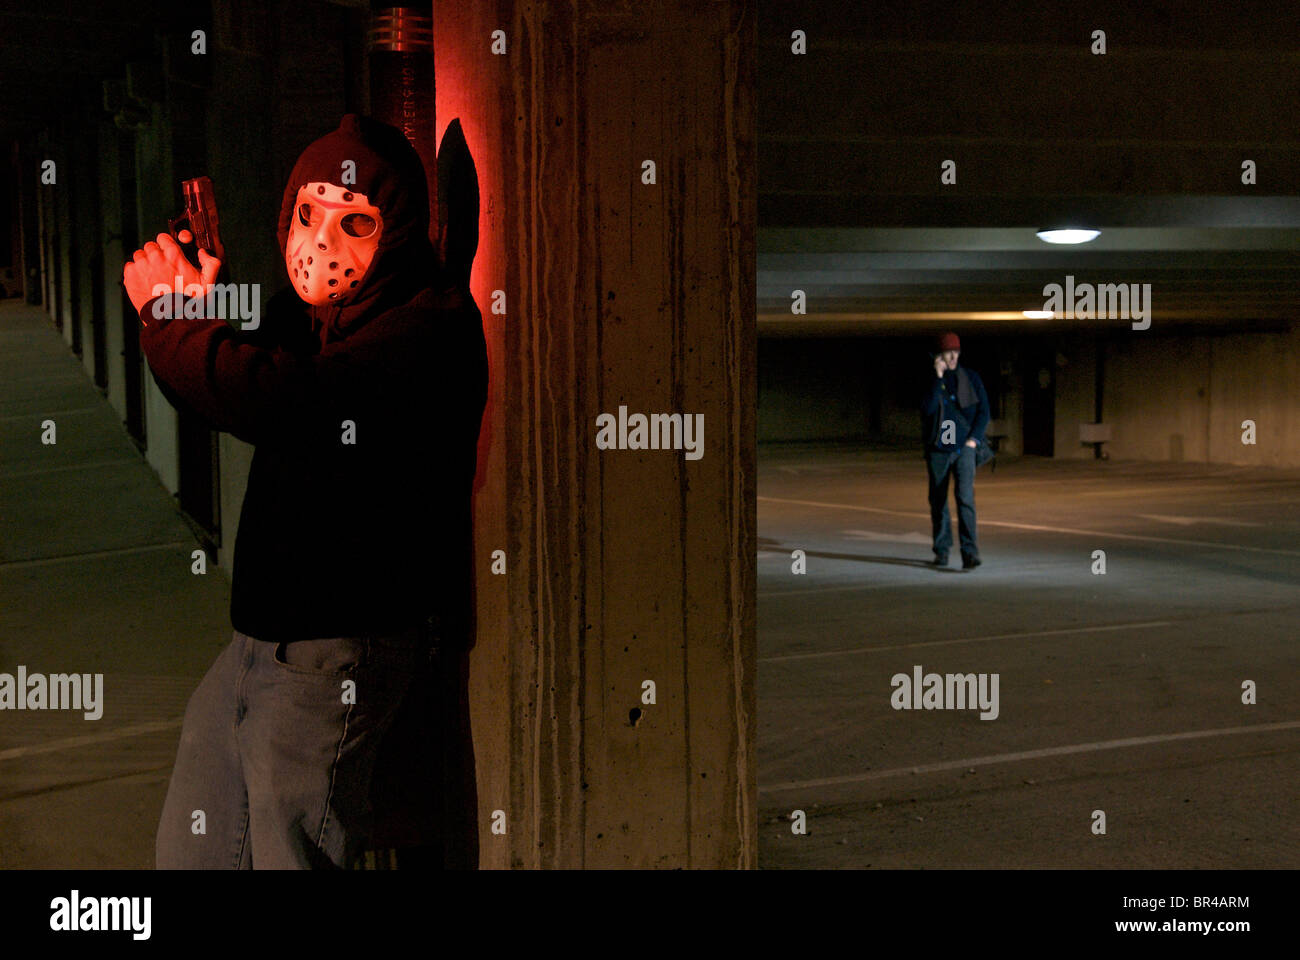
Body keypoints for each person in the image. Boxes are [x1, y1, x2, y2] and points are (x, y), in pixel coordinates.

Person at [121, 114, 487, 869]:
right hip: (264, 642)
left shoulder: (429, 328)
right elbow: (225, 381)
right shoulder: (324, 319)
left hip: (335, 649)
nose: (322, 240)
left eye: (355, 221)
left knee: (295, 854)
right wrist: (193, 308)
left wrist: (166, 315)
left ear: (400, 232)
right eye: (309, 213)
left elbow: (282, 400)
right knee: (193, 848)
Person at [920, 332, 988, 570]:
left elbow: (984, 412)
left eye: (956, 352)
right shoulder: (931, 380)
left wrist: (974, 441)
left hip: (963, 448)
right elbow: (927, 409)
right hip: (939, 449)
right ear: (938, 355)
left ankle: (970, 552)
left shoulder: (970, 378)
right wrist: (937, 378)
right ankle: (942, 551)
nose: (952, 357)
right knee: (938, 501)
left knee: (965, 499)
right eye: (948, 352)